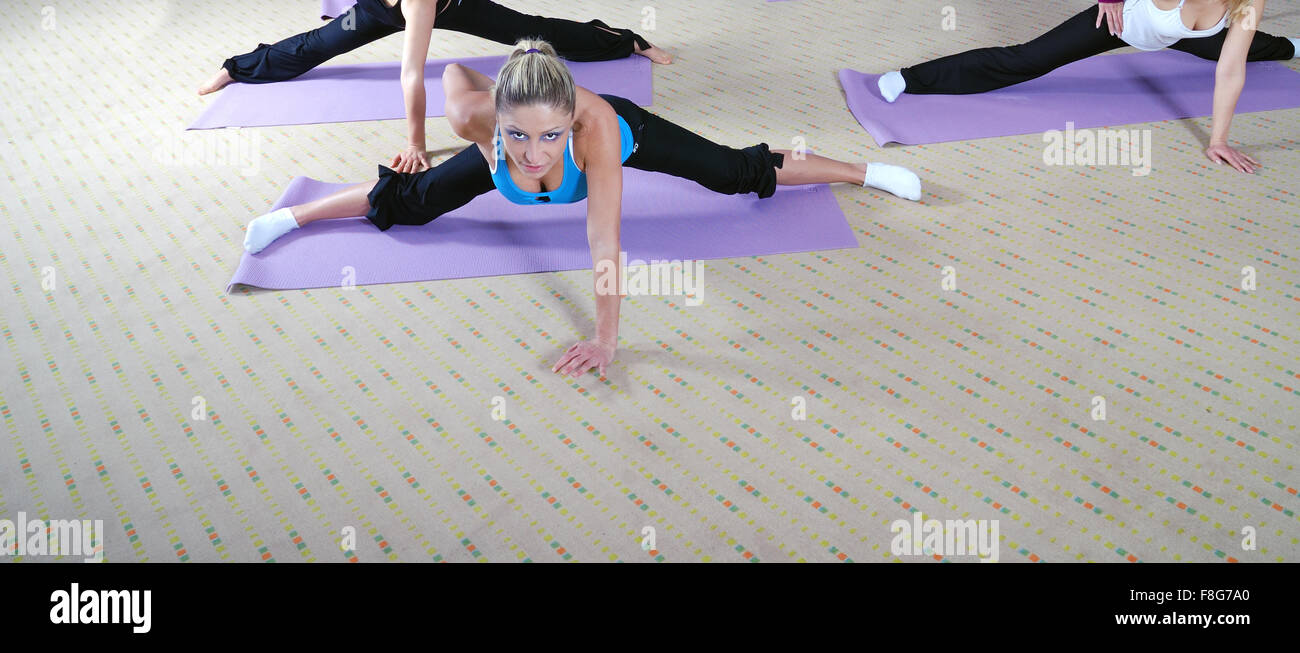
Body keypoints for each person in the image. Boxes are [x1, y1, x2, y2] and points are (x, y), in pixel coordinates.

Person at [241, 39, 924, 378]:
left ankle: (868, 171)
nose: (533, 154)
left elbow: (604, 240)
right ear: (496, 123)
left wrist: (606, 339)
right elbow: (456, 78)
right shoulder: (476, 120)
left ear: (569, 122)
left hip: (628, 132)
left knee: (733, 173)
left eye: (547, 136)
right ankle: (290, 219)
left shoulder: (596, 132)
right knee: (411, 201)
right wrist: (454, 126)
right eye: (518, 134)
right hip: (500, 115)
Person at [199, 0, 672, 174]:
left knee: (533, 31)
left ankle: (629, 40)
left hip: (451, 4)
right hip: (378, 8)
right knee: (316, 44)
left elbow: (413, 72)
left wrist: (415, 143)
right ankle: (238, 67)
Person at [877, 0, 1299, 173]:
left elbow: (1229, 70)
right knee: (1026, 59)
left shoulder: (1247, 1)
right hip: (1123, 23)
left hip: (1185, 34)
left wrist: (1219, 140)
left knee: (1241, 48)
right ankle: (913, 77)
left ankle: (1291, 46)